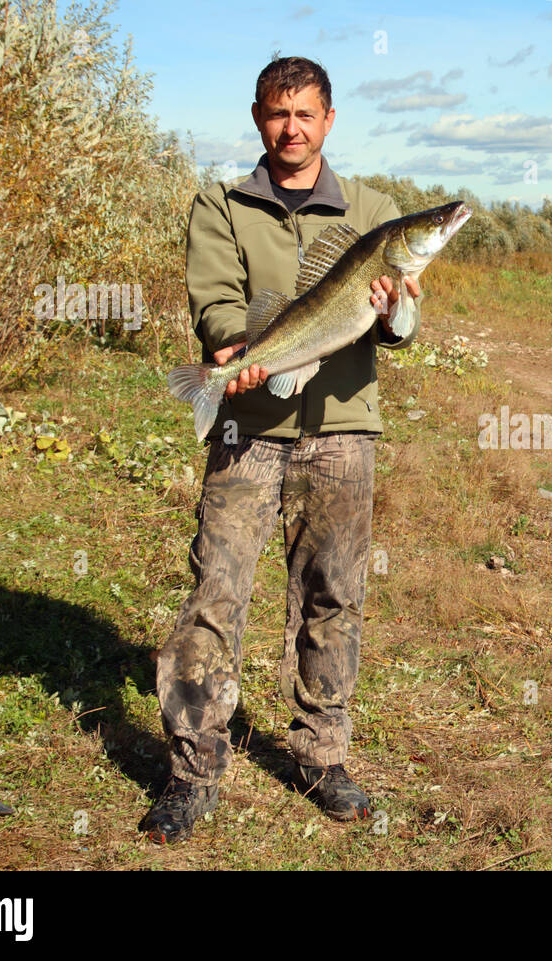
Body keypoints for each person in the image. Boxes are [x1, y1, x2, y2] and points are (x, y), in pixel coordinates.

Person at [140, 56, 420, 843]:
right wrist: (241, 355)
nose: (289, 128)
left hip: (343, 431)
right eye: (275, 113)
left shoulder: (375, 214)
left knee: (334, 592)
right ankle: (192, 771)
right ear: (258, 118)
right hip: (247, 427)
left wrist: (395, 310)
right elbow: (220, 307)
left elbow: (401, 330)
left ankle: (322, 757)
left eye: (304, 113)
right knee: (215, 593)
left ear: (329, 119)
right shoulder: (221, 206)